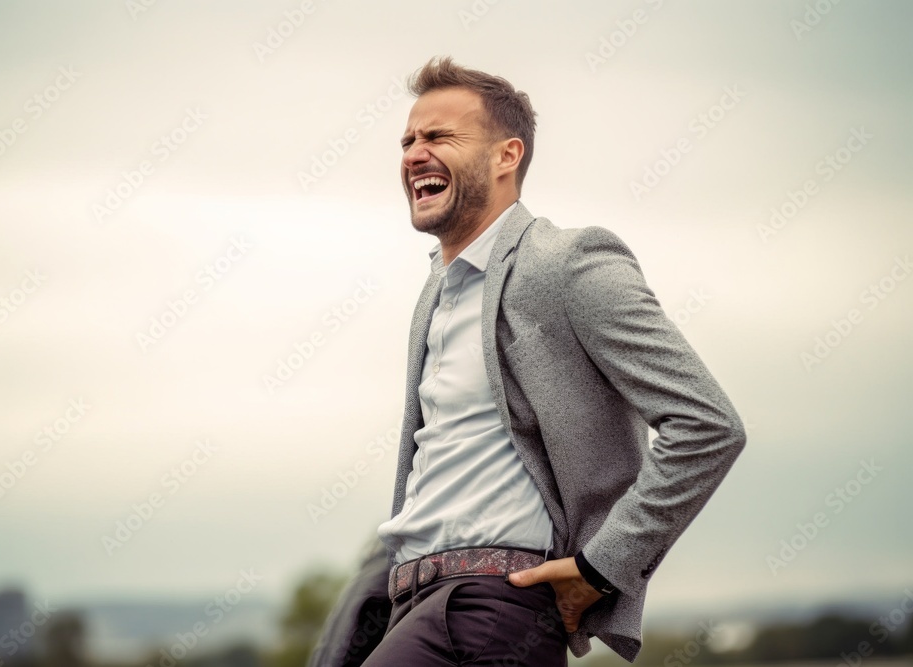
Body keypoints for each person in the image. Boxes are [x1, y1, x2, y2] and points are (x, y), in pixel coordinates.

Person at [308, 55, 746, 666]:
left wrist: (600, 567)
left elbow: (707, 425)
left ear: (506, 156)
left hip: (487, 609)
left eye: (438, 136)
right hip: (411, 602)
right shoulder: (437, 291)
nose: (412, 153)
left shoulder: (566, 263)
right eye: (407, 140)